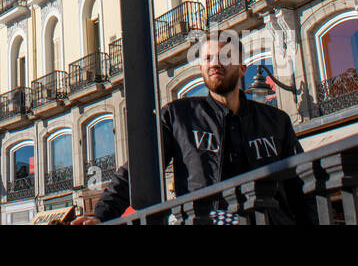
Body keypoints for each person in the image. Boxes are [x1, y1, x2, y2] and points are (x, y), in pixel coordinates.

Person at [71, 34, 315, 225]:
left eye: (225, 57)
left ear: (242, 67)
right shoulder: (178, 116)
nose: (215, 64)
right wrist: (102, 215)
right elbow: (137, 170)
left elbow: (301, 184)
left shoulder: (276, 120)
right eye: (207, 58)